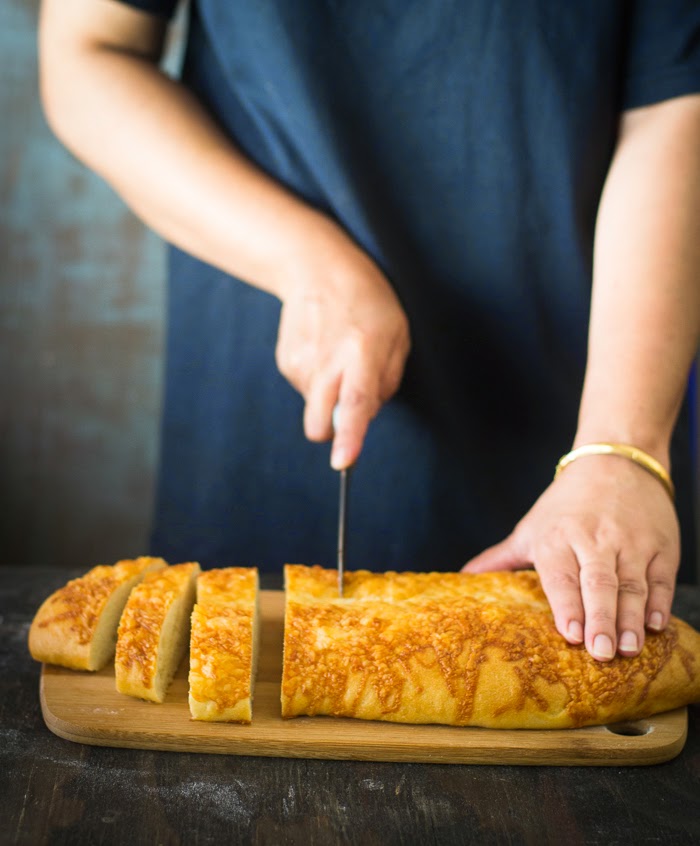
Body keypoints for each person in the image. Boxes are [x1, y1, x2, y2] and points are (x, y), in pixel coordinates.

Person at [38, 0, 700, 663]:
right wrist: (305, 262)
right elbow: (89, 50)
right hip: (269, 392)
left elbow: (675, 104)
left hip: (599, 394)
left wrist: (623, 447)